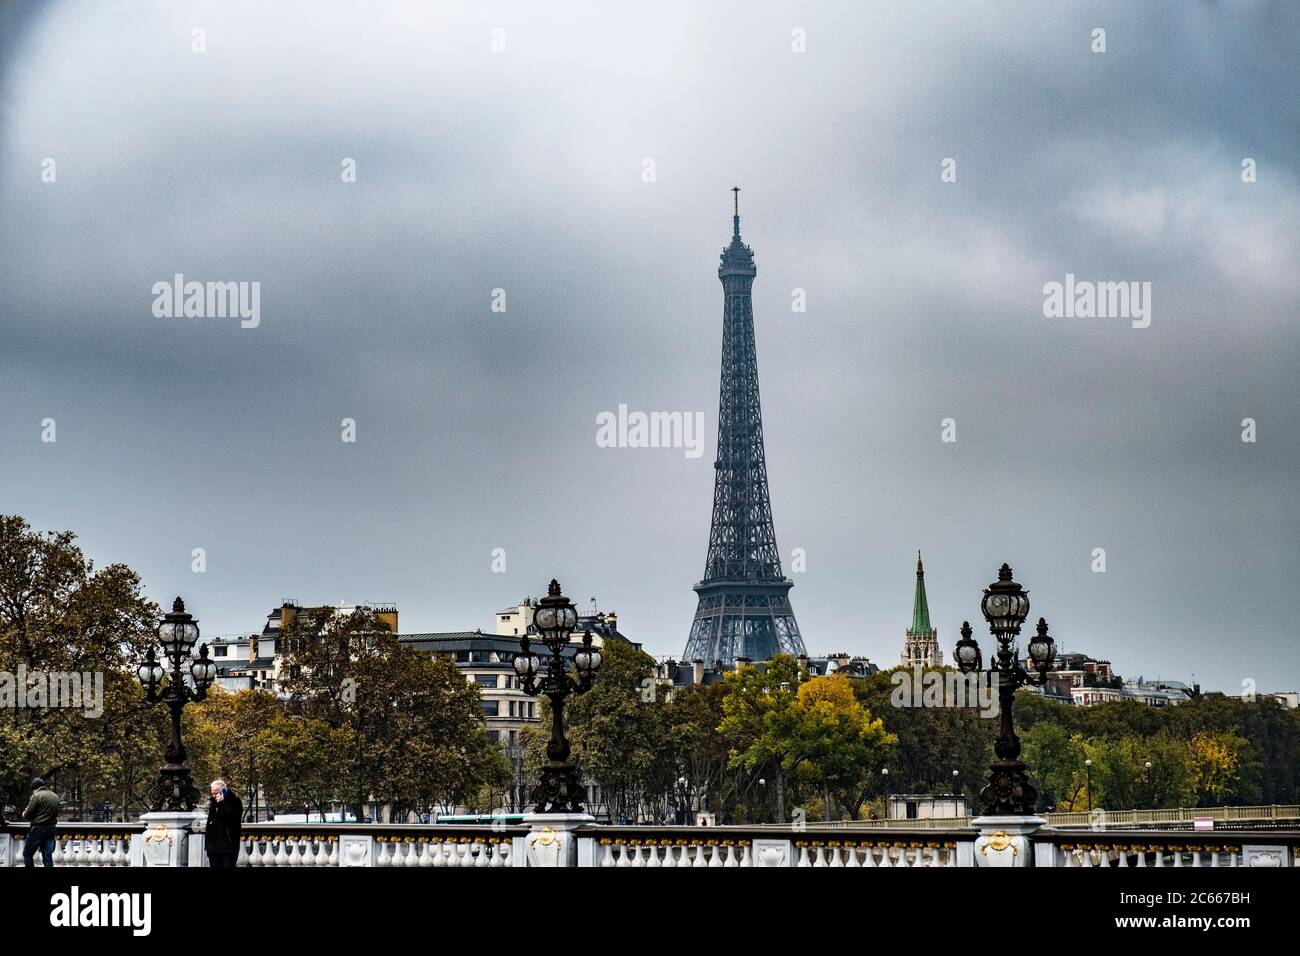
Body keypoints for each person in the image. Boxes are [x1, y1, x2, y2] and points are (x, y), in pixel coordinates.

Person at [22, 778, 61, 868]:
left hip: (38, 829)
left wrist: (24, 813)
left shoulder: (37, 796)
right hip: (51, 828)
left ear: (34, 788)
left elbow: (28, 814)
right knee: (47, 856)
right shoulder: (55, 796)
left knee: (27, 853)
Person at [206, 779, 243, 868]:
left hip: (227, 847)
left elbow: (233, 819)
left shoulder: (235, 801)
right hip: (213, 848)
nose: (214, 796)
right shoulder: (214, 803)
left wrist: (222, 803)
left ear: (223, 791)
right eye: (212, 793)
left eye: (216, 793)